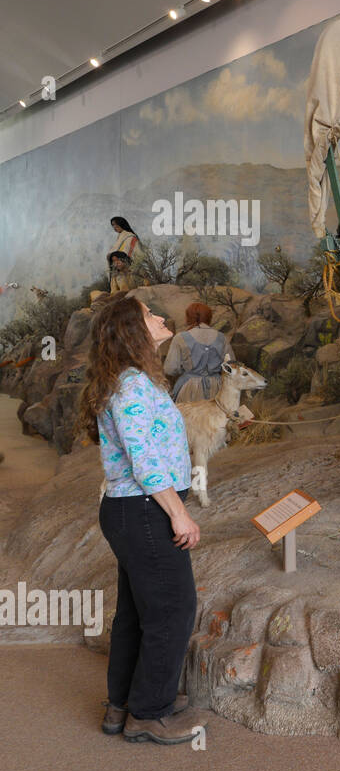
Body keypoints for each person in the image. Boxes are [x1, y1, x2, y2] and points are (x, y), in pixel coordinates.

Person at [75, 292, 208, 745]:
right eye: (149, 314)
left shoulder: (131, 380)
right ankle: (149, 712)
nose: (158, 316)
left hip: (135, 510)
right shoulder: (131, 385)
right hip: (146, 509)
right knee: (173, 609)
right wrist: (180, 515)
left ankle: (122, 704)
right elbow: (145, 461)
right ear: (133, 330)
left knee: (137, 611)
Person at [164, 302, 233, 402]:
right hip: (217, 387)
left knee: (187, 415)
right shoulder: (221, 338)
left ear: (189, 317)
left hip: (189, 388)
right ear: (209, 317)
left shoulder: (180, 338)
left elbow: (170, 369)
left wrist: (187, 371)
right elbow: (231, 365)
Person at [108, 217, 141, 293]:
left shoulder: (130, 236)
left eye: (116, 225)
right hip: (119, 268)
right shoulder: (121, 236)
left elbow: (132, 251)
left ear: (121, 224)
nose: (114, 227)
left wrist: (121, 258)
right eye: (112, 225)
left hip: (128, 266)